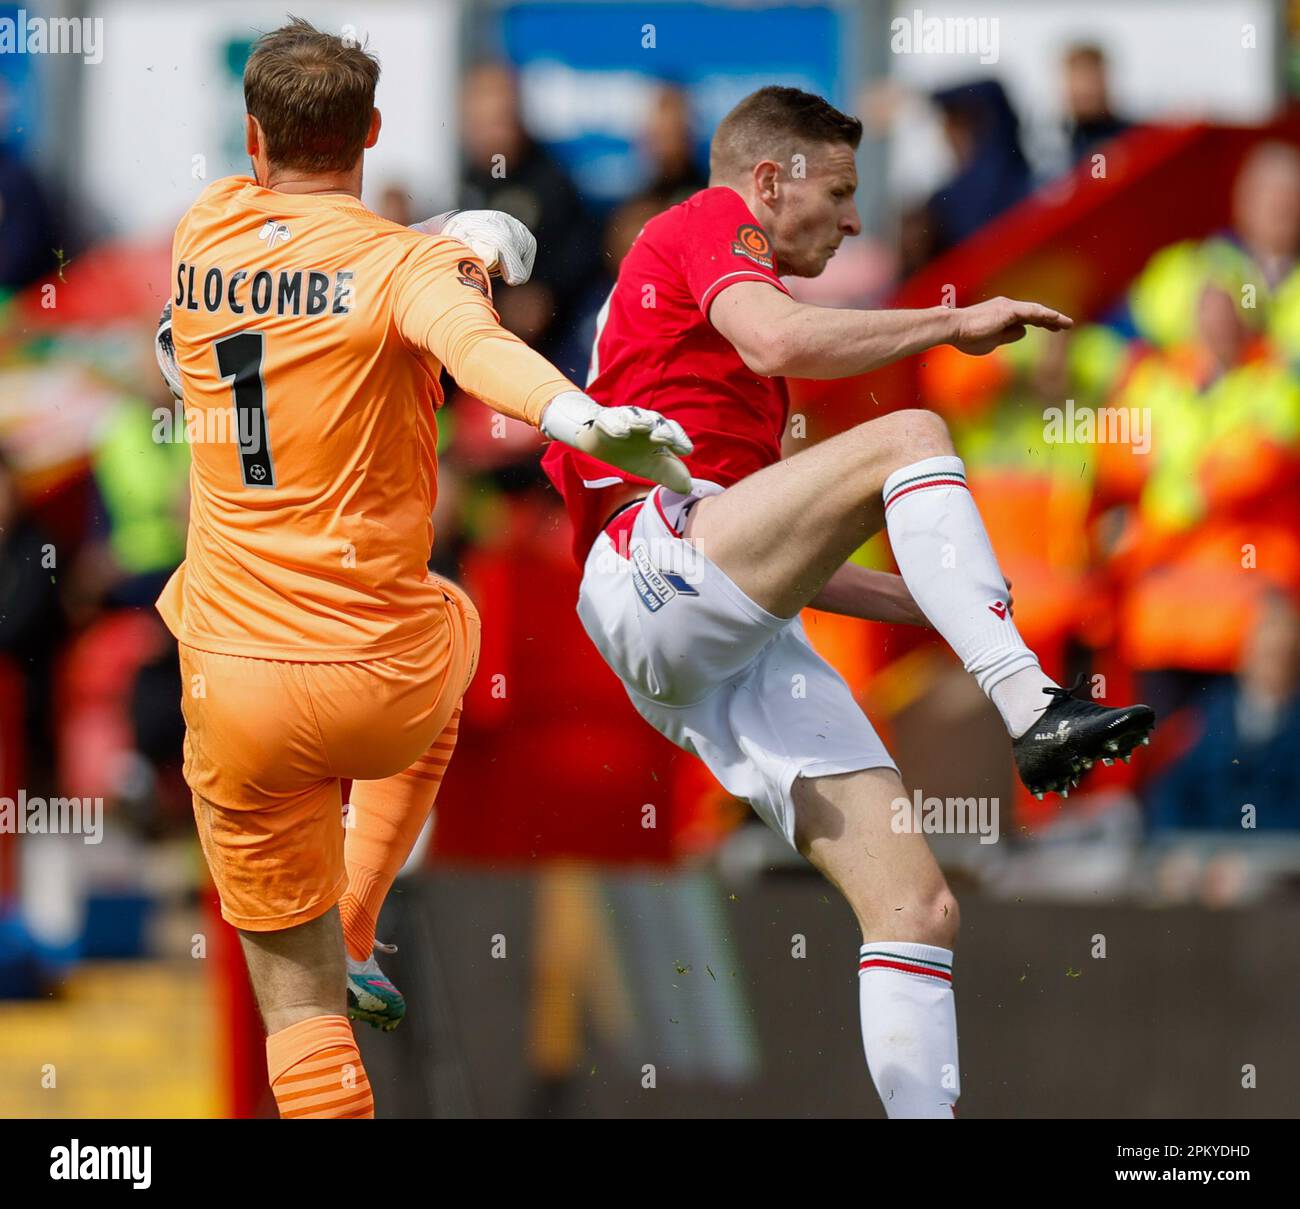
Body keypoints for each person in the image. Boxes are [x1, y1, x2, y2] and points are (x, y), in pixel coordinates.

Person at [541, 85, 1156, 1118]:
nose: (855, 218)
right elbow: (781, 341)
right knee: (911, 437)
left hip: (715, 625)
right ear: (767, 182)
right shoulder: (702, 225)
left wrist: (948, 608)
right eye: (839, 190)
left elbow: (782, 564)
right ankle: (1034, 714)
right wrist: (950, 321)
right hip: (650, 568)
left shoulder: (732, 365)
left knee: (916, 907)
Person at [156, 18, 689, 1119]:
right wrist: (582, 417)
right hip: (380, 680)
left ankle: (335, 949)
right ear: (376, 132)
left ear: (251, 139)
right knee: (453, 612)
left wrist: (450, 231)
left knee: (297, 1021)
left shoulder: (201, 233)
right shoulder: (411, 267)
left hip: (233, 684)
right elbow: (476, 347)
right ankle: (357, 916)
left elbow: (285, 277)